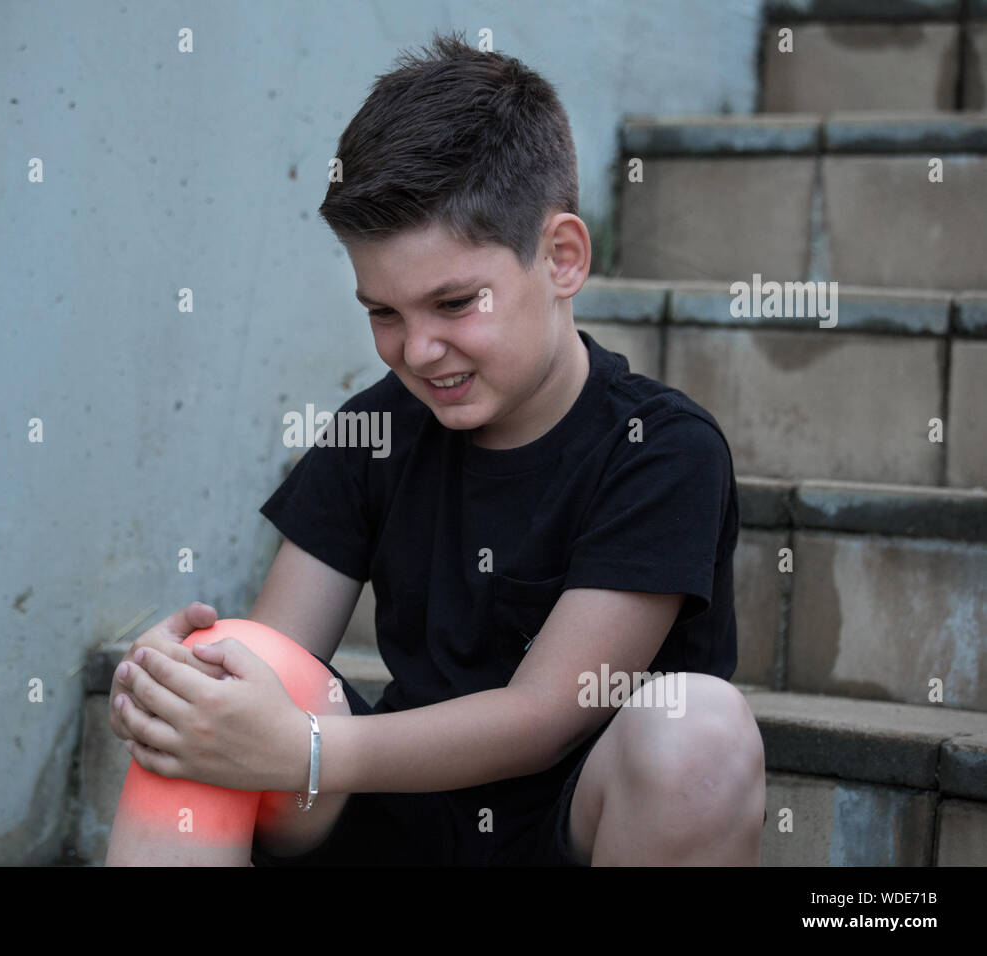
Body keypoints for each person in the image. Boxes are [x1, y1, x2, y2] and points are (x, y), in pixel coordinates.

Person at [105, 30, 765, 867]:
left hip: (567, 828)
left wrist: (305, 749)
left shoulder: (661, 451)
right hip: (393, 823)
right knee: (211, 683)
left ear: (561, 258)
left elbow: (541, 718)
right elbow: (270, 671)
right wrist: (179, 689)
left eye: (454, 303)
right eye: (384, 313)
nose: (417, 351)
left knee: (697, 727)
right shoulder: (374, 431)